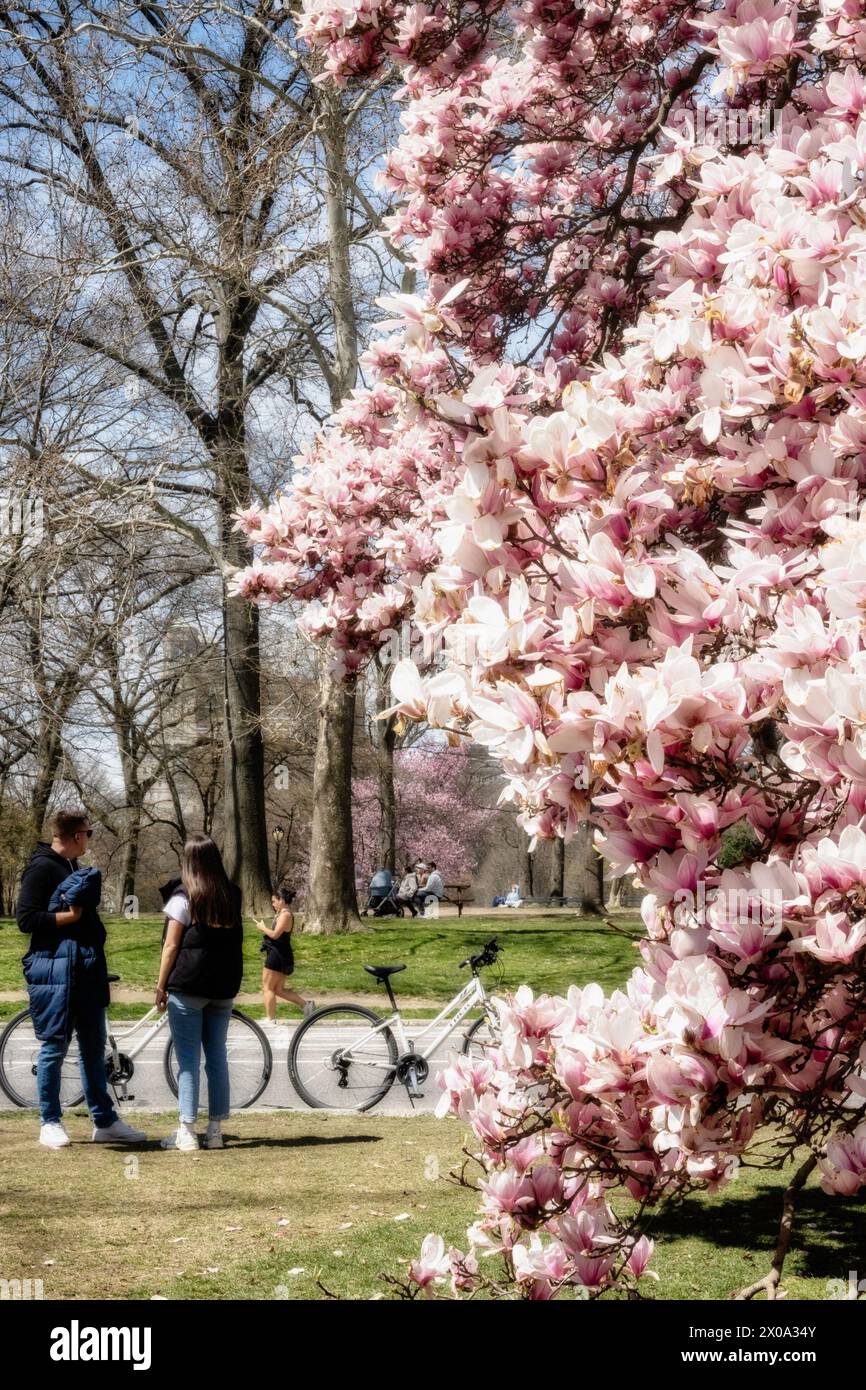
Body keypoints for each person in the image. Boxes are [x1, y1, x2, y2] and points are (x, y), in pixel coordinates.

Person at [17, 809, 146, 1150]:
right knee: (54, 1048)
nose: (90, 837)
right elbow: (26, 919)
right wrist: (70, 917)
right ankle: (50, 1122)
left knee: (93, 1050)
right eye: (88, 832)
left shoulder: (73, 867)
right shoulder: (42, 867)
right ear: (77, 836)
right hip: (56, 973)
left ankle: (104, 1121)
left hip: (85, 972)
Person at [155, 833, 244, 1153]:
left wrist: (161, 985)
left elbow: (171, 946)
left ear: (189, 862)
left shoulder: (184, 897)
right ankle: (216, 1131)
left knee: (189, 1061)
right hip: (223, 988)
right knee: (217, 1057)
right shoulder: (232, 895)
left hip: (188, 986)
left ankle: (187, 1131)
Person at [254, 884, 315, 1023]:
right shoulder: (282, 914)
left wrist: (262, 928)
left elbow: (275, 935)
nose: (273, 904)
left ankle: (270, 1019)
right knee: (279, 990)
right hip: (280, 954)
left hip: (277, 955)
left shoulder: (286, 915)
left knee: (267, 988)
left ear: (281, 900)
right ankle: (307, 1005)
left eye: (274, 901)